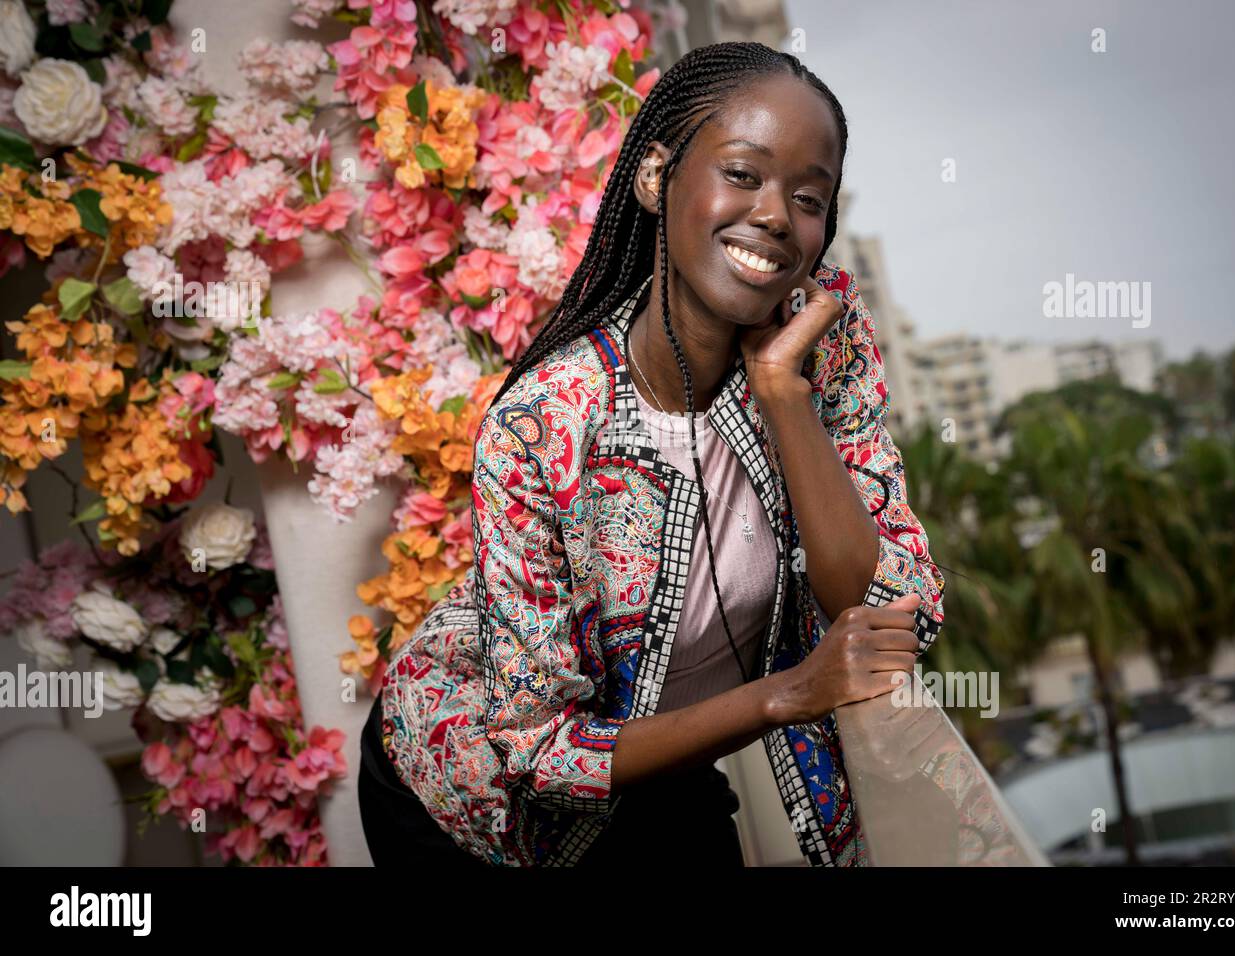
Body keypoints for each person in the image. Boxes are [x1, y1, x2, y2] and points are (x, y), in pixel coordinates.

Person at [358, 40, 946, 868]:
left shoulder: (823, 339)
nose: (777, 214)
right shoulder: (543, 423)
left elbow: (881, 606)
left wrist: (781, 390)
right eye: (742, 174)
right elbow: (537, 751)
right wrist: (784, 695)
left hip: (668, 761)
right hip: (465, 799)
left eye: (809, 197)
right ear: (655, 176)